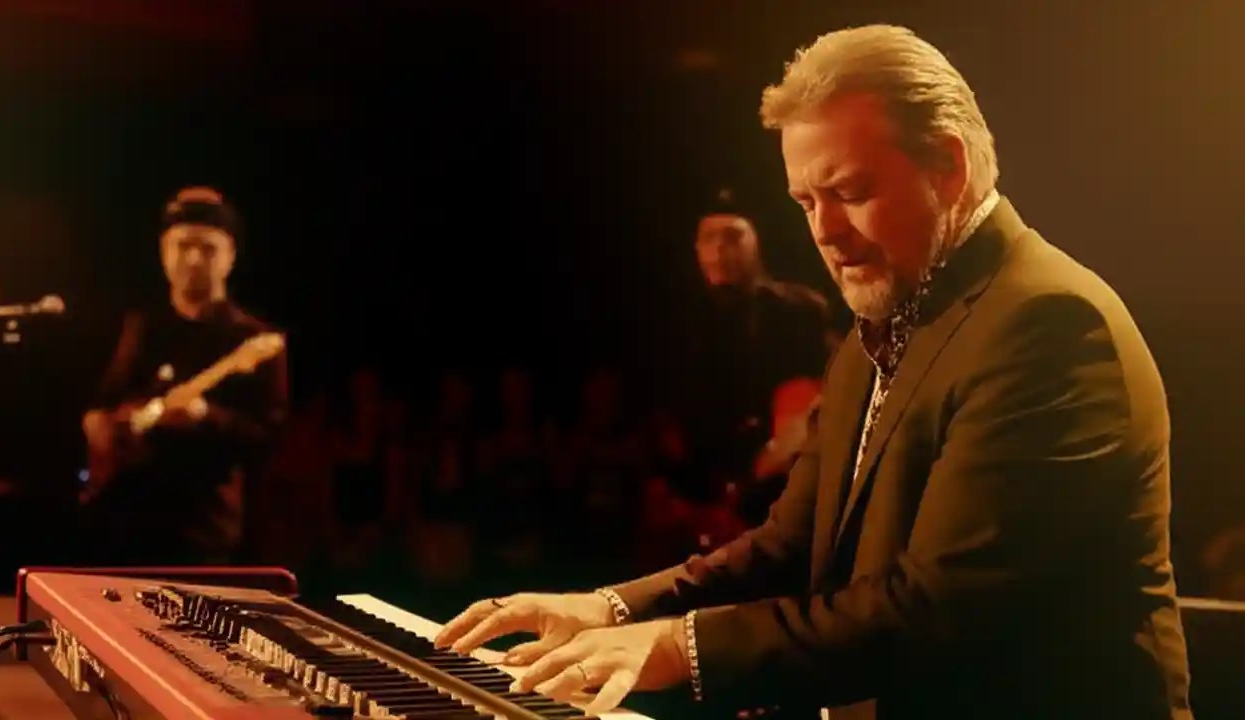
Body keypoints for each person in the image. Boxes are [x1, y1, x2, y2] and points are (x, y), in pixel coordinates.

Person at [433, 24, 1193, 719]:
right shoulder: (886, 323)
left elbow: (937, 609)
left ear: (949, 167)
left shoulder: (1049, 325)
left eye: (850, 193)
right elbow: (791, 548)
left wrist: (678, 647)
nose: (825, 232)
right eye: (805, 202)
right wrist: (613, 608)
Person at [79, 186, 288, 565]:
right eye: (183, 245)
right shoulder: (143, 326)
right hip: (126, 518)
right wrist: (100, 427)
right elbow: (103, 402)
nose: (193, 259)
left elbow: (268, 435)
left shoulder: (252, 340)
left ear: (230, 257)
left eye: (208, 249)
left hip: (201, 530)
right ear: (163, 253)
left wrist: (207, 417)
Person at [675, 187, 836, 524]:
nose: (720, 249)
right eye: (709, 238)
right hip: (704, 490)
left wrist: (774, 456)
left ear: (756, 242)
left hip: (779, 483)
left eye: (732, 237)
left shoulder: (798, 312)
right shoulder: (680, 320)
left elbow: (816, 397)